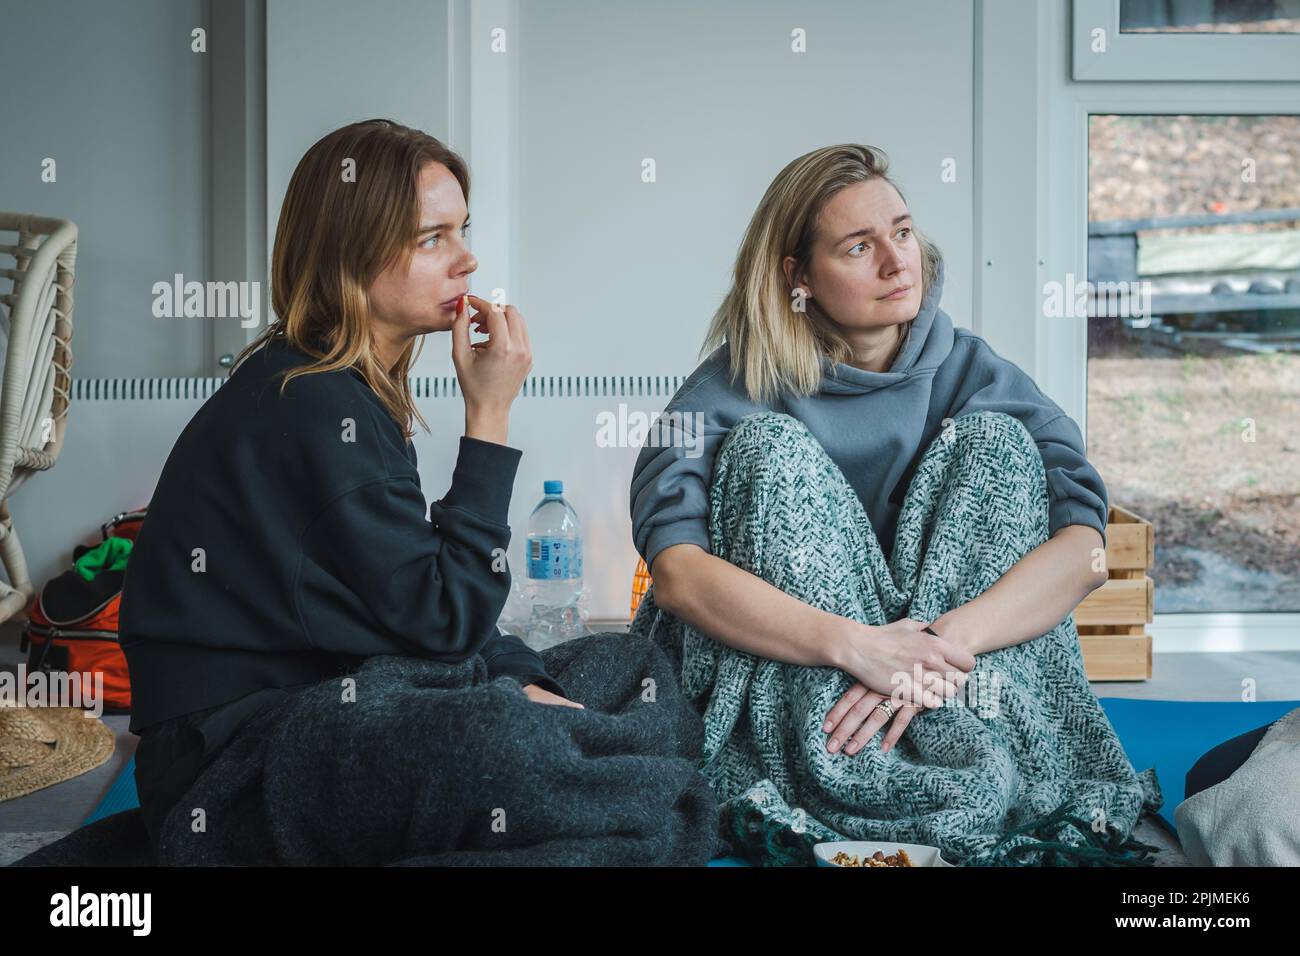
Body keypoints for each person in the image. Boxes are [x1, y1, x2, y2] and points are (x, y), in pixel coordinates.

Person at [121, 118, 581, 855]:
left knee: (610, 670)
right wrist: (489, 411)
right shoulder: (316, 402)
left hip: (310, 704)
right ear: (352, 254)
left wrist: (534, 686)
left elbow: (421, 605)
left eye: (463, 231)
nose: (467, 261)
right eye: (434, 238)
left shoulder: (336, 387)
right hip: (227, 764)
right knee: (513, 747)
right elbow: (444, 621)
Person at [630, 143, 1111, 761]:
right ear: (797, 277)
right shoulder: (725, 392)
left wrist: (931, 647)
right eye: (859, 246)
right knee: (766, 449)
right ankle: (819, 761)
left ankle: (950, 744)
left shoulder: (975, 373)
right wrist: (856, 647)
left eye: (902, 233)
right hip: (791, 677)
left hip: (947, 674)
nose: (896, 263)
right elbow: (675, 575)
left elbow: (1088, 550)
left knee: (999, 443)